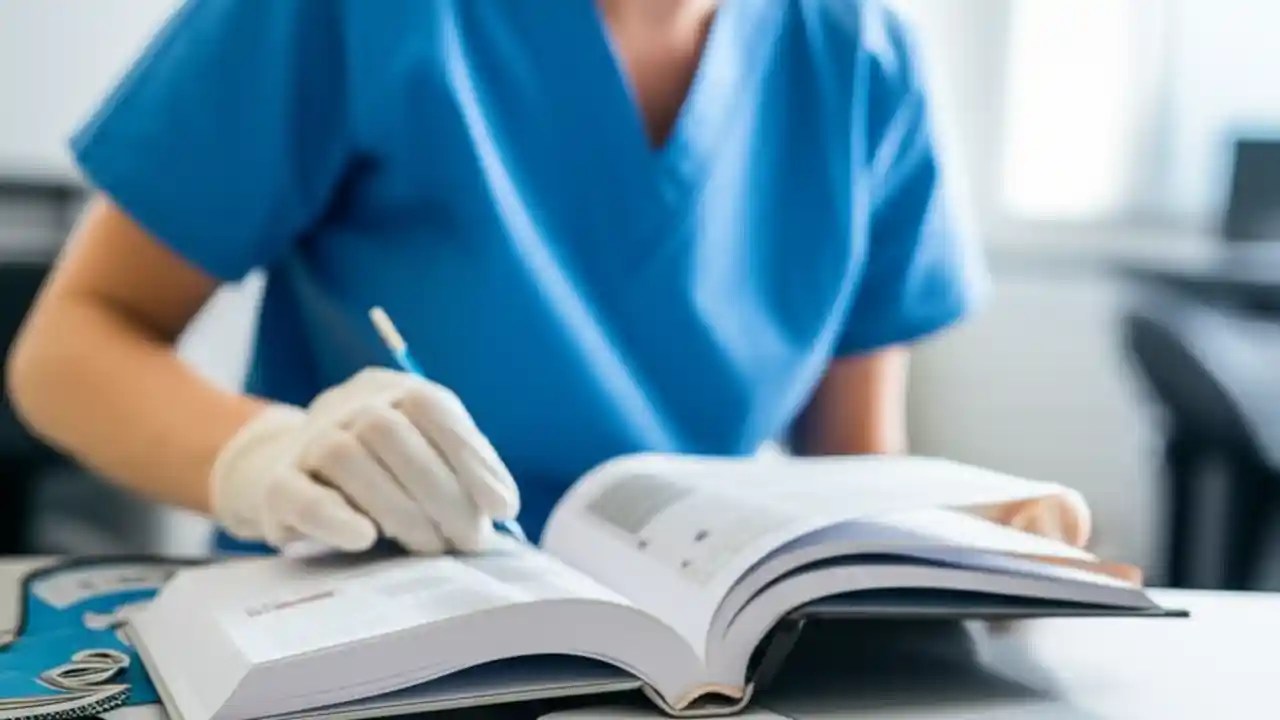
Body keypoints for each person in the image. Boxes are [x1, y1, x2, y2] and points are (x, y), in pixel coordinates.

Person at [6, 0, 1088, 556]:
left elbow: (851, 464)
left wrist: (958, 542)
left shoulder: (859, 52)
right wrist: (258, 457)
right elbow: (72, 345)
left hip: (691, 664)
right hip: (350, 624)